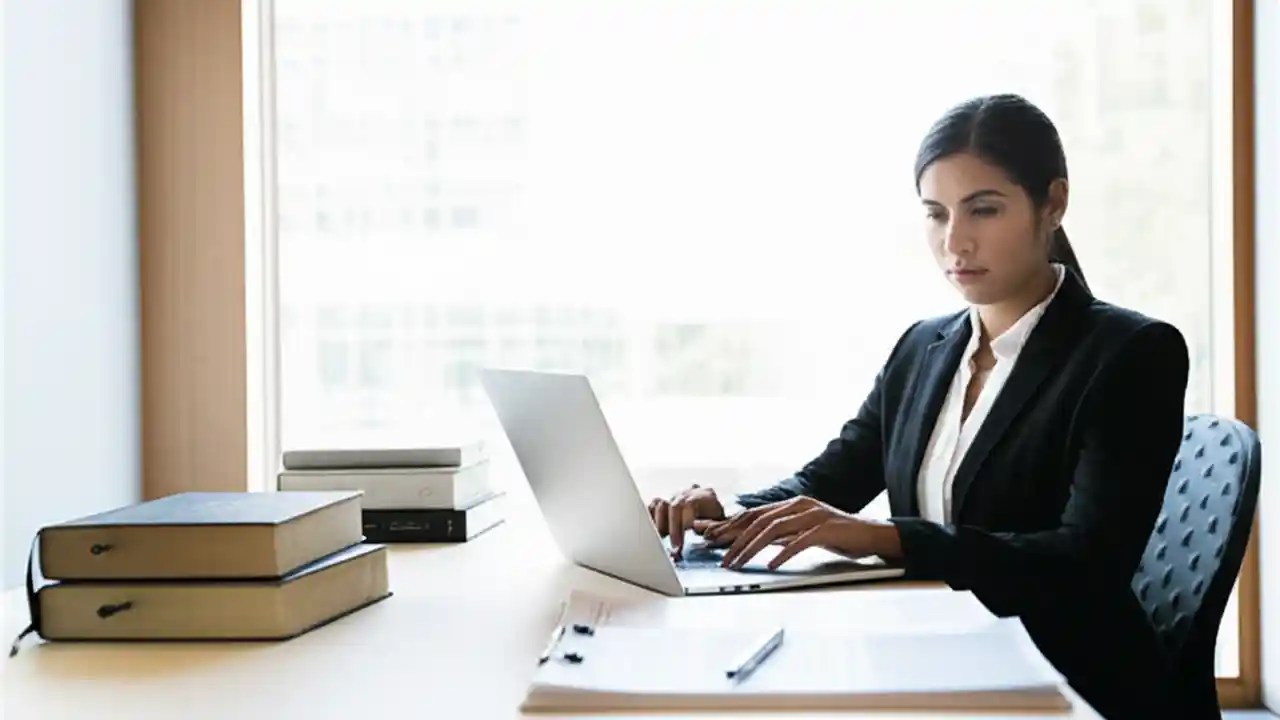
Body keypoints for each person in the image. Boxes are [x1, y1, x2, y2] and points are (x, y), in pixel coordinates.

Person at [647, 94, 1193, 719]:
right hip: (941, 660)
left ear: (1054, 204)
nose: (955, 242)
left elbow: (1085, 564)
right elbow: (829, 481)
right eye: (936, 215)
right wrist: (728, 513)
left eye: (983, 209)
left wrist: (890, 538)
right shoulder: (923, 348)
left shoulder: (1130, 353)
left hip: (1065, 682)